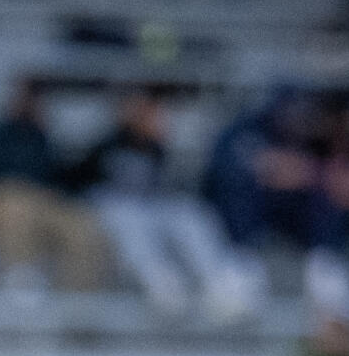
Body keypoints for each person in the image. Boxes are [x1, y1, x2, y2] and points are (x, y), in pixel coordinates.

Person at [70, 89, 260, 322]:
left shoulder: (159, 149)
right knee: (125, 214)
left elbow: (181, 187)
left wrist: (158, 142)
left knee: (188, 212)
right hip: (114, 211)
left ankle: (220, 282)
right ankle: (161, 283)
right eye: (145, 115)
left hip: (150, 208)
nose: (153, 121)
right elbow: (80, 179)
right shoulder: (108, 145)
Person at [0, 77, 110, 293]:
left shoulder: (44, 140)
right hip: (1, 199)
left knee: (81, 225)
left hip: (42, 202)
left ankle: (80, 296)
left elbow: (63, 179)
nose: (33, 105)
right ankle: (21, 281)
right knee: (17, 207)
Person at [204, 89, 349, 312]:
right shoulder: (247, 128)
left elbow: (339, 178)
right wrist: (288, 169)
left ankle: (325, 270)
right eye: (291, 108)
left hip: (290, 213)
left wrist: (303, 171)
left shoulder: (309, 135)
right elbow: (250, 168)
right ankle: (240, 268)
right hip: (240, 216)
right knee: (242, 194)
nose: (296, 115)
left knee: (324, 199)